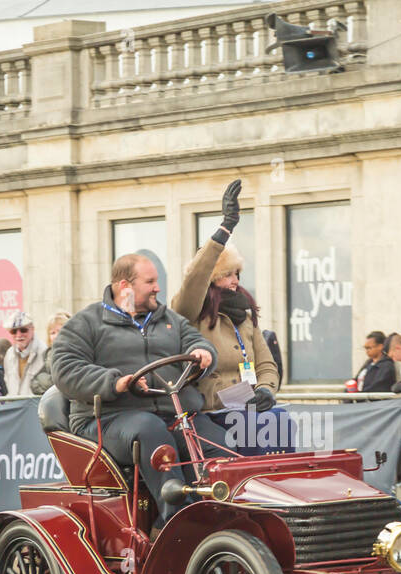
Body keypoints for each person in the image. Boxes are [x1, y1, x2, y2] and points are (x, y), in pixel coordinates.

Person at [52, 253, 224, 530]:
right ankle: (175, 524)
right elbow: (64, 368)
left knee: (215, 439)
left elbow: (196, 341)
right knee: (150, 431)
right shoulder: (87, 323)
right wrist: (115, 382)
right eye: (150, 282)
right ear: (125, 286)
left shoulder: (170, 320)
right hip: (108, 418)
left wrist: (203, 353)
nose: (158, 287)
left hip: (172, 415)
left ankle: (222, 516)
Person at [170, 180, 286, 455]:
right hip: (212, 409)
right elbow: (194, 281)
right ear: (212, 279)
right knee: (255, 427)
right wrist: (225, 229)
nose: (235, 281)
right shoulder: (190, 312)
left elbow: (267, 365)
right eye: (226, 274)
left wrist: (267, 390)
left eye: (237, 274)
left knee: (280, 420)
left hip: (247, 405)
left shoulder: (244, 316)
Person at [0, 312, 49, 396]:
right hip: (15, 406)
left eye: (23, 330)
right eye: (14, 331)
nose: (19, 335)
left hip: (35, 406)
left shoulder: (44, 352)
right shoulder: (9, 354)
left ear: (32, 329)